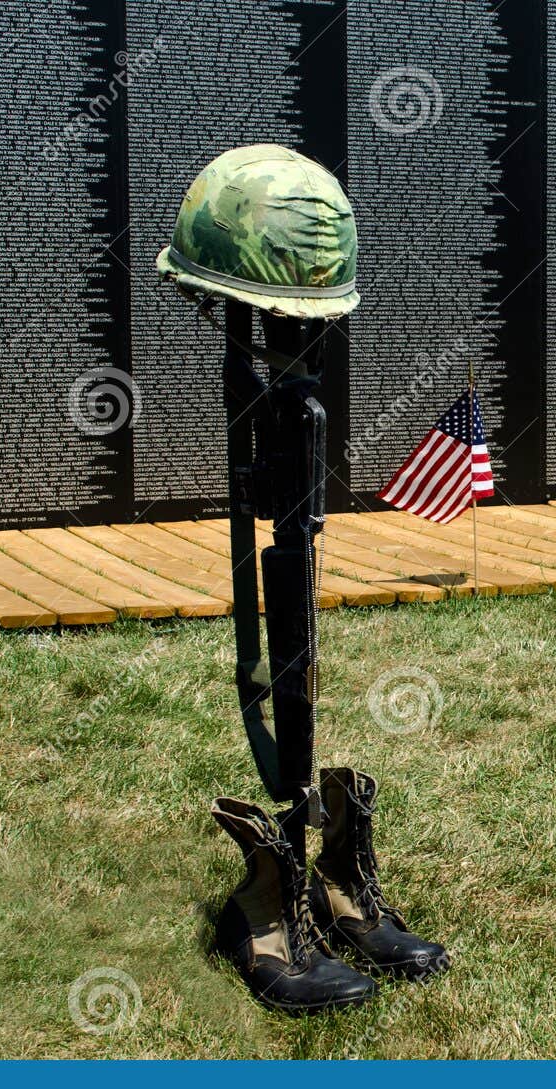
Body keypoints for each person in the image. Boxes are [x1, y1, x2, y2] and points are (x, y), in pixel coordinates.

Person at [157, 144, 447, 1013]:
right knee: (274, 654)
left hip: (290, 505)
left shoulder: (294, 384)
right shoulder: (243, 366)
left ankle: (334, 879)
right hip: (268, 517)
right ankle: (265, 903)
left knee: (297, 630)